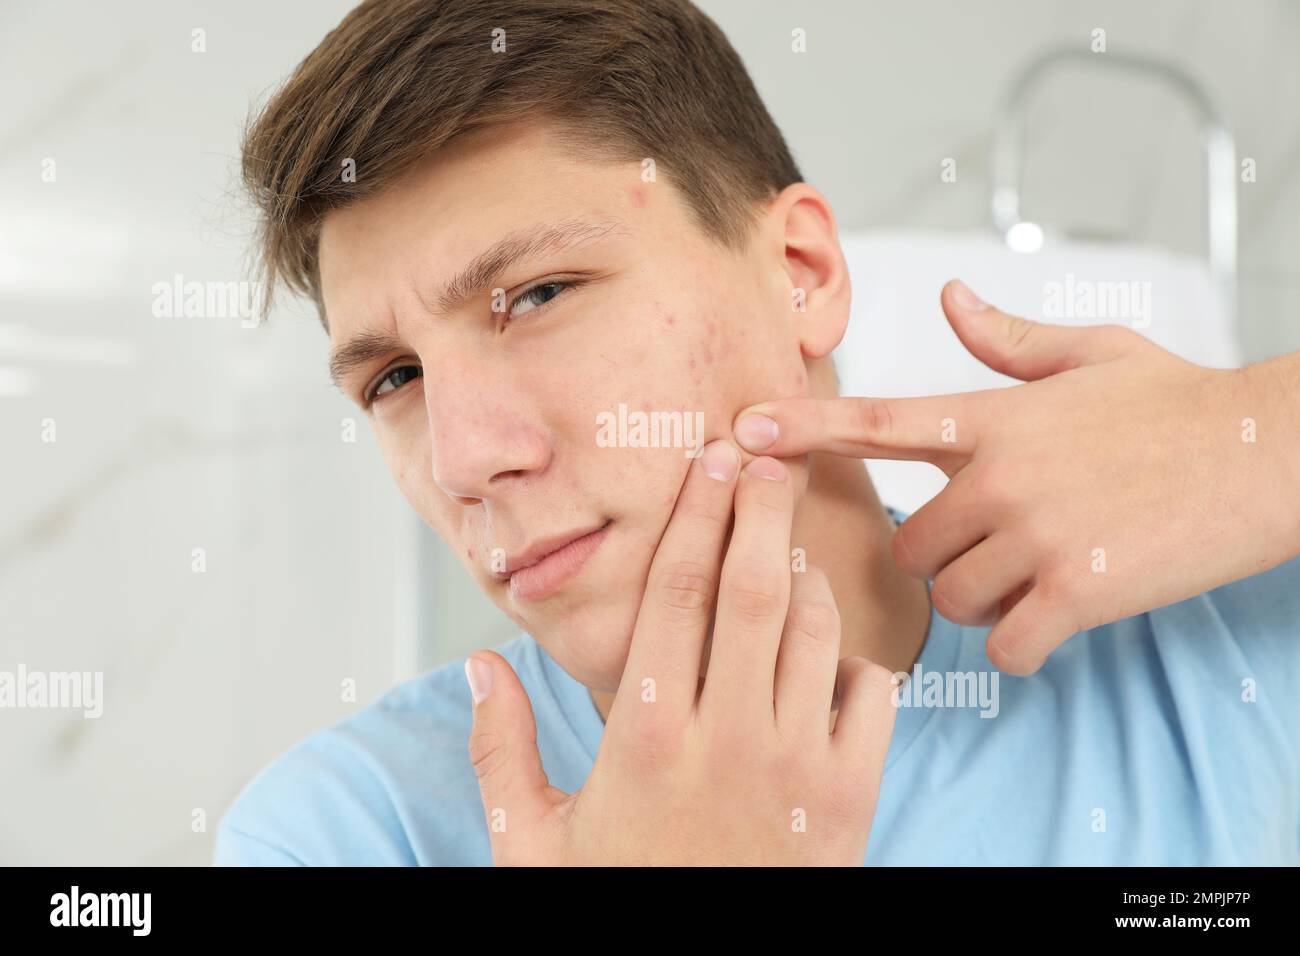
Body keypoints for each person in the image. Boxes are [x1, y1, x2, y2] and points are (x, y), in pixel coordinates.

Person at [215, 0, 1300, 865]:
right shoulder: (337, 834)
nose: (463, 460)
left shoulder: (1231, 648)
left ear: (799, 276)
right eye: (394, 377)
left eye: (537, 294)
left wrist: (1247, 430)